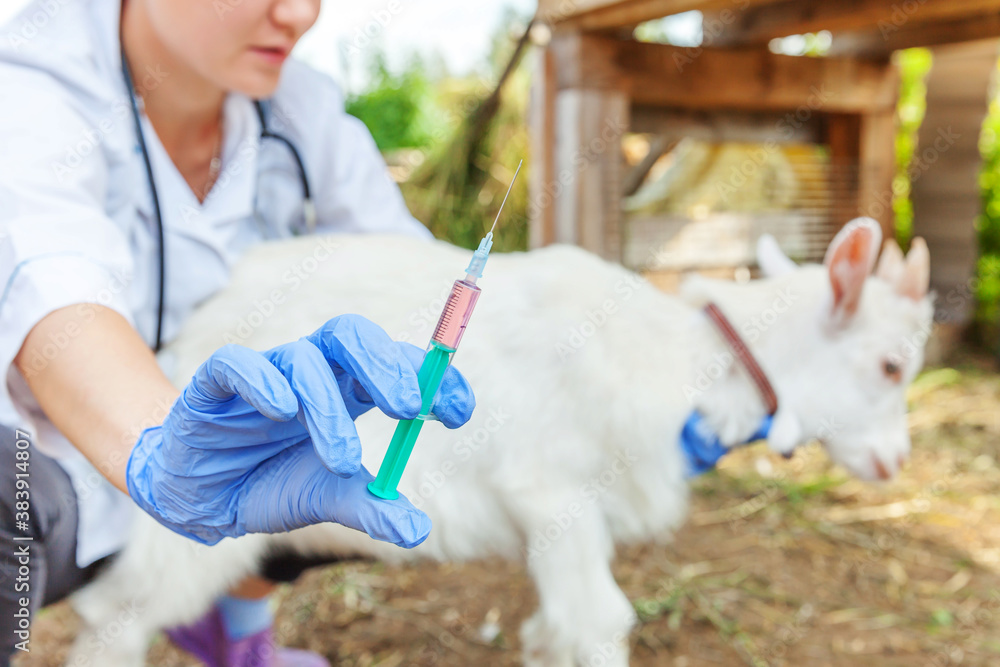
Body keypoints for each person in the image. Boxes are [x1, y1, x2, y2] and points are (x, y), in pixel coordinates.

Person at [0, 0, 476, 664]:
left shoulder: (302, 109)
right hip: (48, 454)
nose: (300, 14)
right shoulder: (34, 77)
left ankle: (233, 623)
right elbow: (55, 286)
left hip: (228, 460)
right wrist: (159, 446)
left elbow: (409, 268)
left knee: (347, 434)